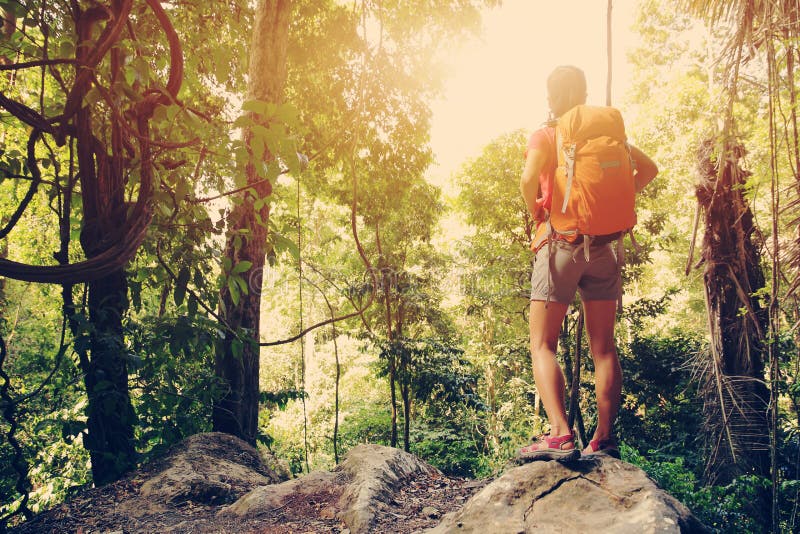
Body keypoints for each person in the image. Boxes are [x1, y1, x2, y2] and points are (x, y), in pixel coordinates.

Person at [517, 65, 658, 461]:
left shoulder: (547, 134)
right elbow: (649, 169)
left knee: (542, 344)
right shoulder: (608, 137)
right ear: (584, 93)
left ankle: (560, 434)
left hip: (560, 246)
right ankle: (605, 438)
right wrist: (612, 203)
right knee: (604, 348)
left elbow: (528, 180)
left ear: (552, 97)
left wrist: (538, 212)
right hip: (604, 249)